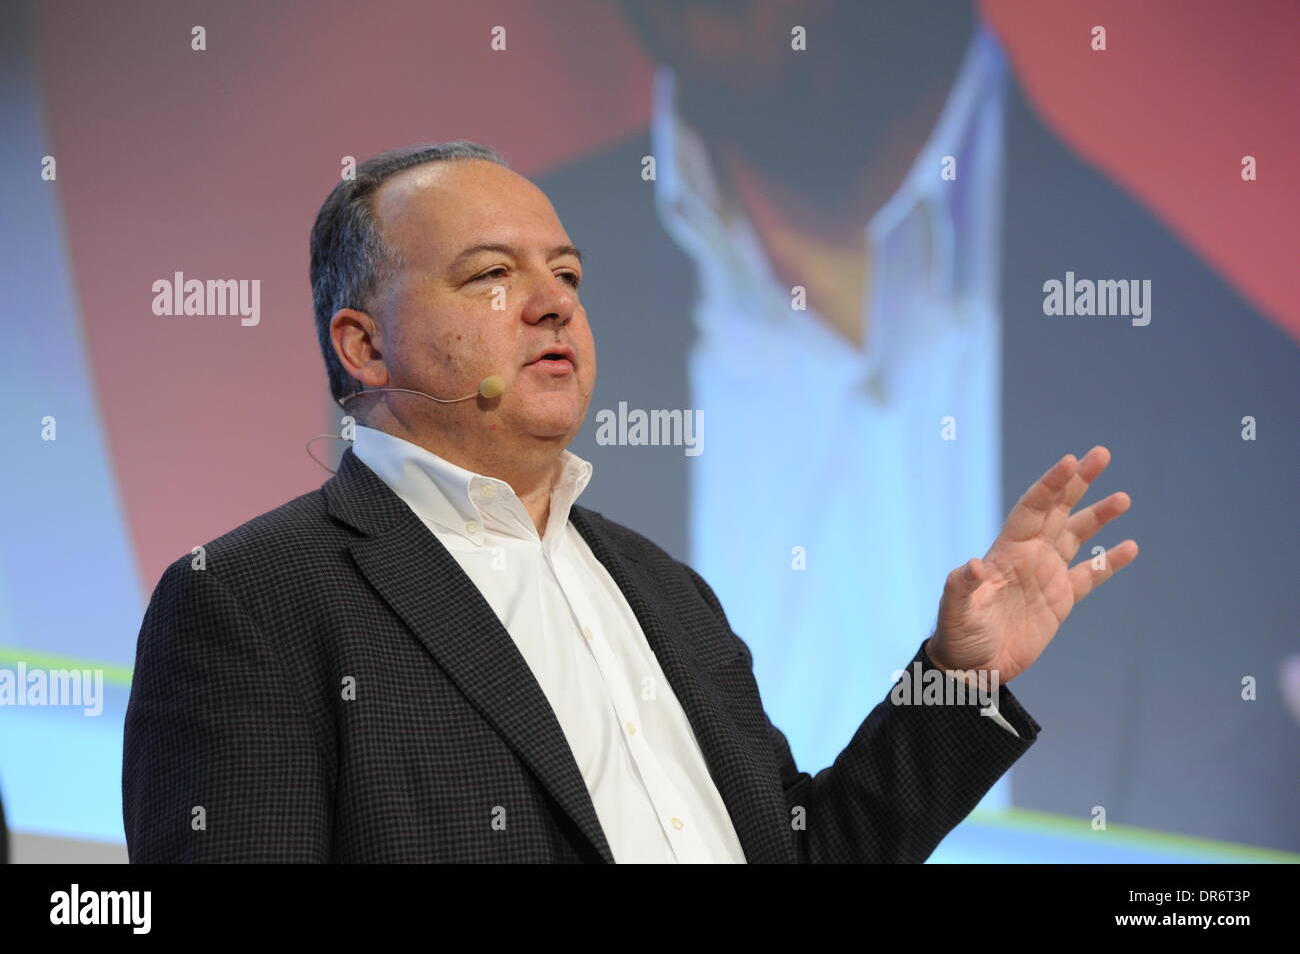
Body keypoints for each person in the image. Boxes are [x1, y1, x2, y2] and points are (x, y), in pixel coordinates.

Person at [121, 142, 1137, 863]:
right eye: (489, 275)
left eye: (565, 272)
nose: (553, 300)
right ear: (363, 345)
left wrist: (956, 680)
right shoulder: (253, 601)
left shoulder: (661, 590)